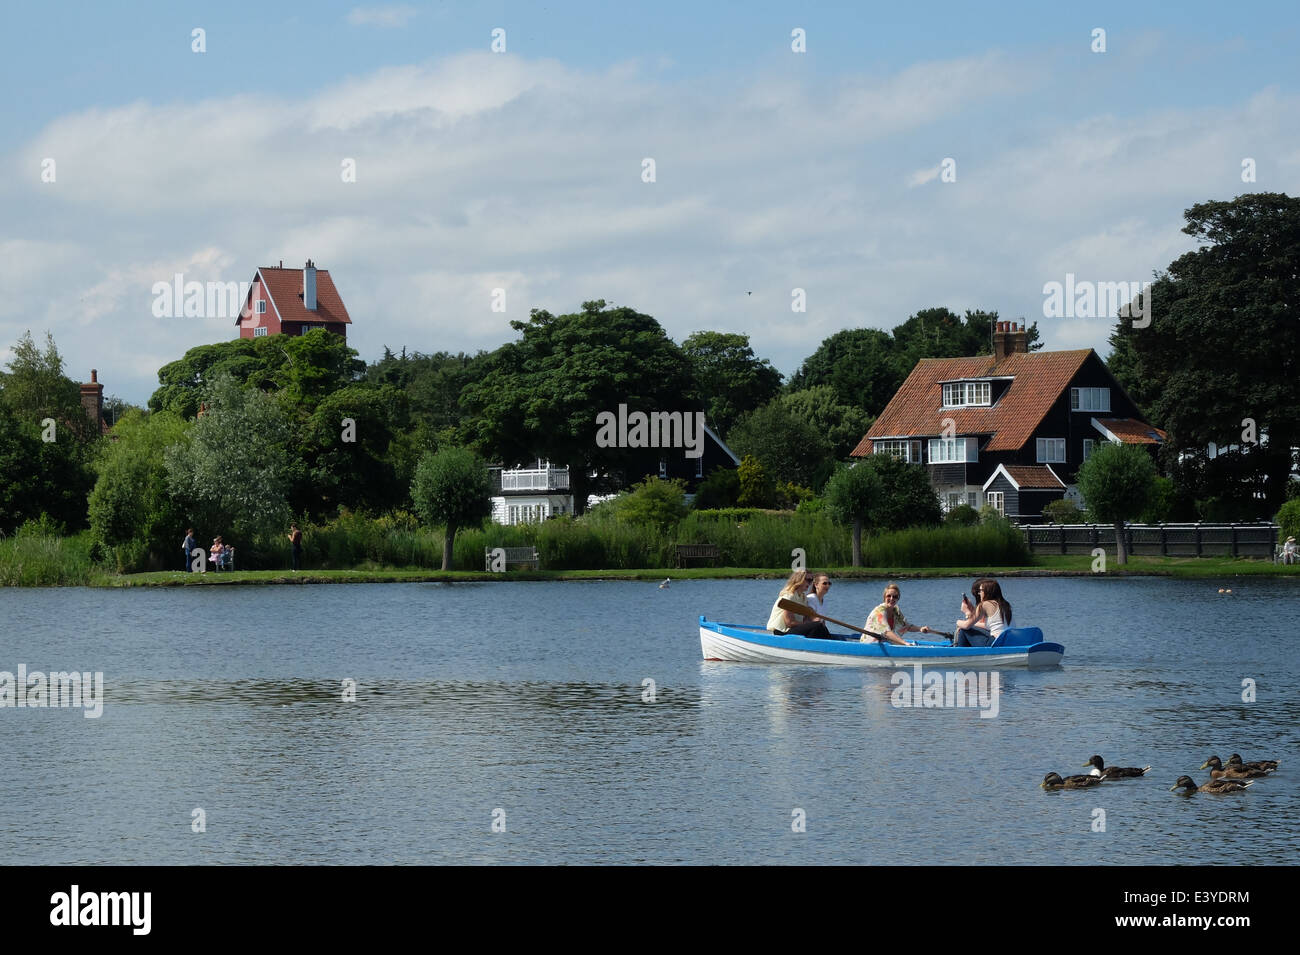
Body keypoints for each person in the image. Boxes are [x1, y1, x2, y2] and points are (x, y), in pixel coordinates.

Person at [766, 570, 831, 639]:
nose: (810, 583)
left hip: (792, 629)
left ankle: (830, 643)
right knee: (817, 626)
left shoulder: (803, 598)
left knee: (820, 627)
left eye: (811, 580)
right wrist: (810, 624)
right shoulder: (789, 596)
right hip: (781, 632)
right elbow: (789, 623)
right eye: (808, 580)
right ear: (799, 580)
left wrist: (812, 622)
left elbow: (805, 619)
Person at [863, 582, 932, 646]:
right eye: (888, 596)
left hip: (883, 642)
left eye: (895, 596)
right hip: (870, 644)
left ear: (898, 599)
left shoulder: (895, 611)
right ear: (884, 598)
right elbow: (886, 632)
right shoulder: (880, 611)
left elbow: (906, 626)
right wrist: (905, 643)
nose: (892, 598)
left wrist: (920, 629)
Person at [954, 578, 1012, 647]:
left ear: (987, 591)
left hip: (995, 643)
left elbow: (966, 626)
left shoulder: (984, 604)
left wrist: (959, 620)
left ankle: (961, 654)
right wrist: (972, 613)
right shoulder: (1006, 604)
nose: (979, 593)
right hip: (1009, 640)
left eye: (981, 590)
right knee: (967, 628)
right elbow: (990, 625)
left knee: (963, 630)